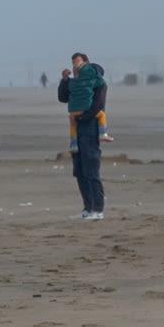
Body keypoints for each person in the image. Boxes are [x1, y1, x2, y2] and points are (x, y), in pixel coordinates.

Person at [57, 54, 106, 219]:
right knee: (79, 170)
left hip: (90, 126)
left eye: (77, 62)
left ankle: (98, 210)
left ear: (86, 63)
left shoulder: (97, 82)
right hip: (75, 128)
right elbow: (63, 98)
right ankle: (88, 208)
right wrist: (64, 81)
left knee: (91, 169)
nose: (74, 65)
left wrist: (82, 118)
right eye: (72, 62)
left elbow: (98, 104)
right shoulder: (76, 83)